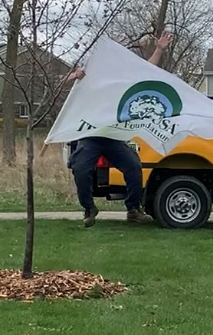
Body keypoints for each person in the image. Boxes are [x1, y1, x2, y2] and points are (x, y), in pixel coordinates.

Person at [66, 32, 173, 227]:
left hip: (114, 136)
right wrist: (75, 76)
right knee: (81, 169)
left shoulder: (123, 80)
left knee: (134, 166)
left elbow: (147, 69)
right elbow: (65, 86)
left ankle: (133, 209)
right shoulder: (89, 76)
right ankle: (89, 208)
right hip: (91, 136)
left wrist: (158, 49)